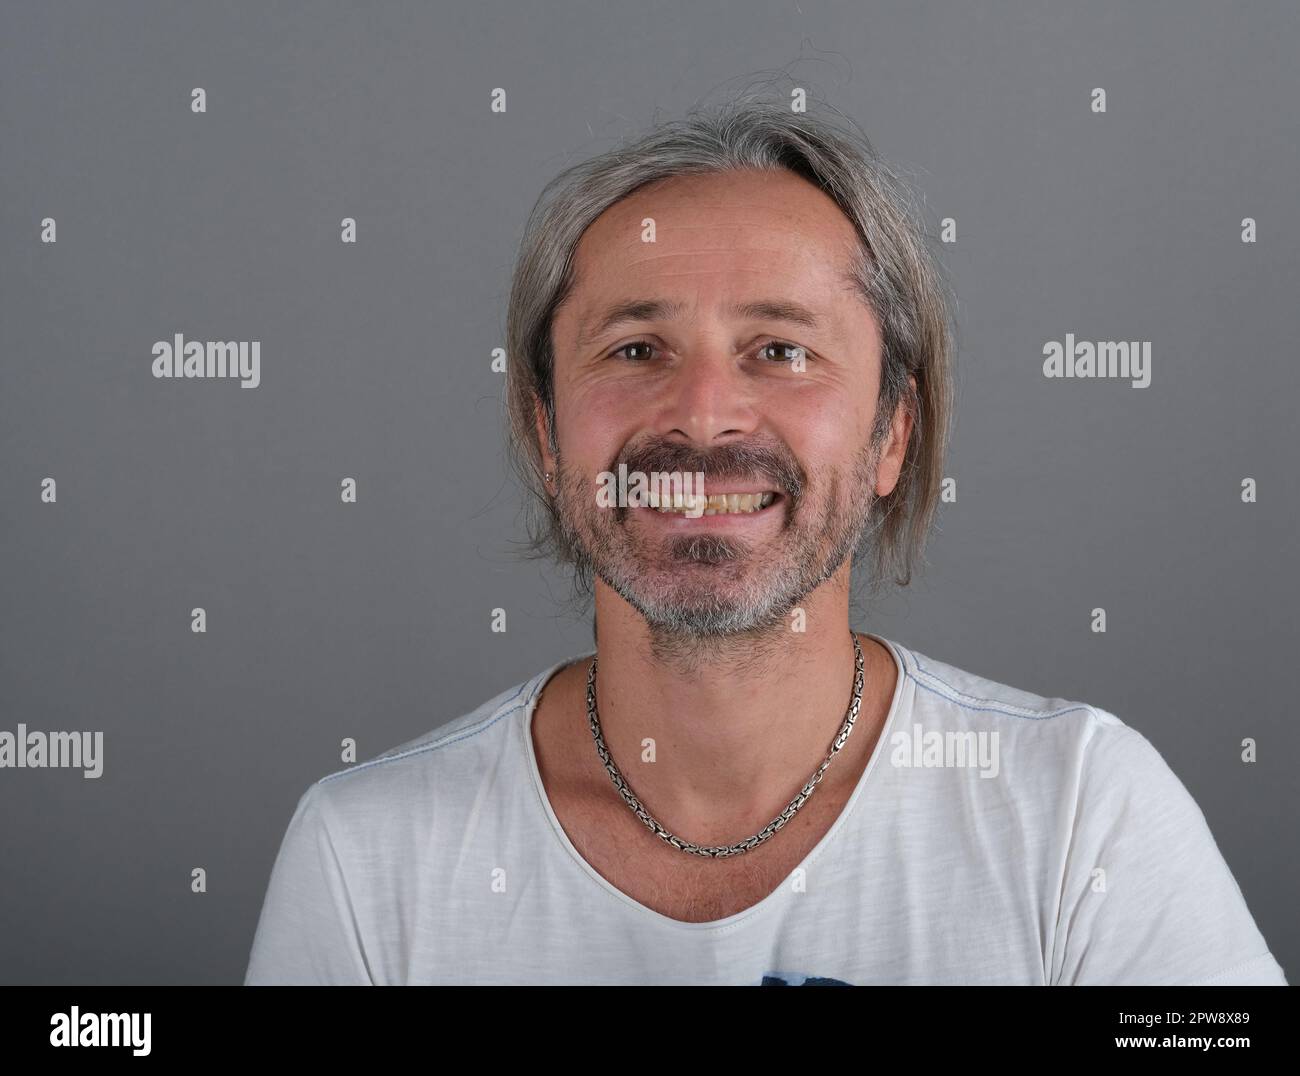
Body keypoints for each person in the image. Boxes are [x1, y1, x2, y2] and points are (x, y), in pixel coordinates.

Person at [244, 92, 1286, 986]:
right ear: (543, 428)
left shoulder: (1082, 814)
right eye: (636, 346)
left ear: (892, 433)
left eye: (780, 349)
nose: (703, 414)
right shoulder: (366, 852)